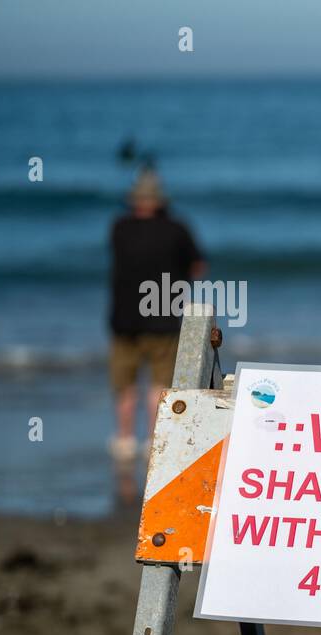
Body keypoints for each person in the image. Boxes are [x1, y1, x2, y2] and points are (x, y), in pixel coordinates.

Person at [107, 168, 206, 461]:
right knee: (158, 385)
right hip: (164, 314)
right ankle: (153, 440)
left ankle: (124, 440)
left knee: (125, 386)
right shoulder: (177, 229)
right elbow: (198, 268)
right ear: (161, 200)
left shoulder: (120, 228)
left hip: (123, 319)